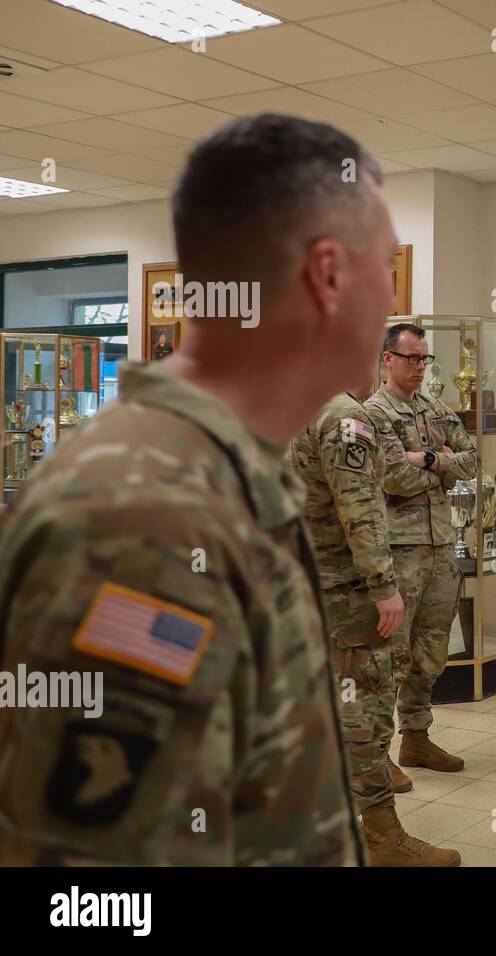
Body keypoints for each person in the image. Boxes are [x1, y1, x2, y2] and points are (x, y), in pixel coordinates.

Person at [0, 113, 393, 864]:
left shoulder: (228, 475)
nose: (392, 299)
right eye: (387, 262)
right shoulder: (146, 521)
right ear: (330, 275)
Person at [289, 384, 458, 867]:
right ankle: (383, 837)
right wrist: (383, 586)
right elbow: (360, 511)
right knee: (364, 712)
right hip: (346, 594)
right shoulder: (345, 418)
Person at [366, 323, 479, 775]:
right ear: (388, 359)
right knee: (393, 656)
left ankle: (416, 738)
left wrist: (429, 459)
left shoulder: (434, 406)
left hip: (440, 546)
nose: (419, 368)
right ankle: (377, 756)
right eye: (411, 359)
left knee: (431, 651)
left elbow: (471, 461)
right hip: (399, 550)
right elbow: (394, 476)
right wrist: (441, 466)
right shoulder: (375, 413)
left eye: (425, 360)